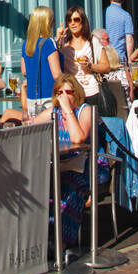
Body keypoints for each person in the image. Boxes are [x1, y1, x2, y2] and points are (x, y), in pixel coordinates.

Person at [31, 74, 109, 249]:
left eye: (68, 92)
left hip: (89, 166)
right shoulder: (54, 111)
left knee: (68, 186)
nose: (64, 96)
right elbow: (32, 124)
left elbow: (78, 138)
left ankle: (62, 241)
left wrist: (67, 110)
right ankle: (40, 238)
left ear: (77, 93)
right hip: (62, 165)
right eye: (60, 93)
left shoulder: (85, 110)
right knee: (40, 184)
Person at [57, 6, 110, 107]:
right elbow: (53, 63)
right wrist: (58, 38)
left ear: (83, 21)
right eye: (69, 20)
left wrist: (90, 66)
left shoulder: (92, 41)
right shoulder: (63, 43)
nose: (72, 23)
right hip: (71, 92)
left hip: (90, 91)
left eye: (76, 20)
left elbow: (106, 67)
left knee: (91, 121)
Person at [20, 6, 61, 117]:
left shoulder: (26, 44)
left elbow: (24, 71)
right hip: (49, 97)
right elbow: (57, 74)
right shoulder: (49, 43)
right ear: (48, 22)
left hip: (32, 98)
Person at [104, 0, 134, 64]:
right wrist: (130, 59)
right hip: (120, 58)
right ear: (123, 0)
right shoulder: (126, 16)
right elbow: (129, 39)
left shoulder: (104, 12)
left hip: (105, 56)